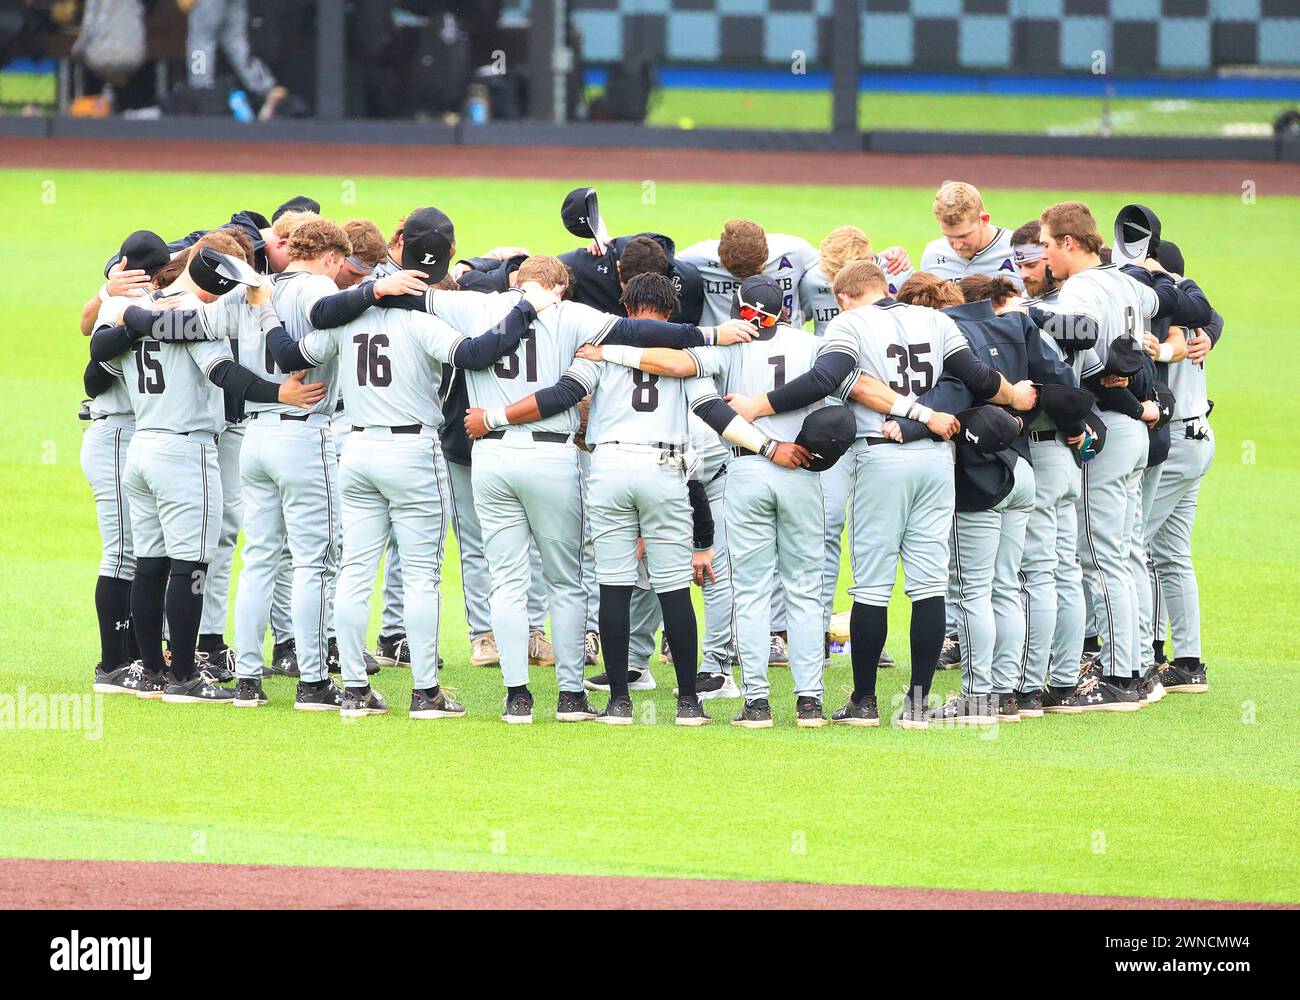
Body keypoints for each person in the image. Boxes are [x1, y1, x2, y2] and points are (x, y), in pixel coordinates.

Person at [89, 243, 325, 703]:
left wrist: (132, 325)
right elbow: (225, 375)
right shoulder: (200, 320)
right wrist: (281, 394)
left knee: (150, 564)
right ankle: (184, 677)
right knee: (191, 567)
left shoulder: (135, 308)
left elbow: (97, 365)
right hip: (185, 451)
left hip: (140, 448)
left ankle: (150, 670)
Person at [1040, 200, 1210, 708]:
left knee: (1100, 552)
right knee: (1129, 550)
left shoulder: (1082, 289)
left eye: (1048, 244)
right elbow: (1185, 313)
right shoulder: (1128, 282)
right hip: (1137, 427)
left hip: (1110, 428)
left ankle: (1120, 677)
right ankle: (1139, 667)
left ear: (1069, 243)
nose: (1044, 254)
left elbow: (1088, 358)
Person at [84, 230, 170, 695]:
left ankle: (136, 653)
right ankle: (113, 664)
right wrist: (130, 327)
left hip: (133, 435)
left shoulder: (125, 300)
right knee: (123, 553)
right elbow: (93, 376)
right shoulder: (121, 307)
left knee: (141, 552)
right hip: (114, 431)